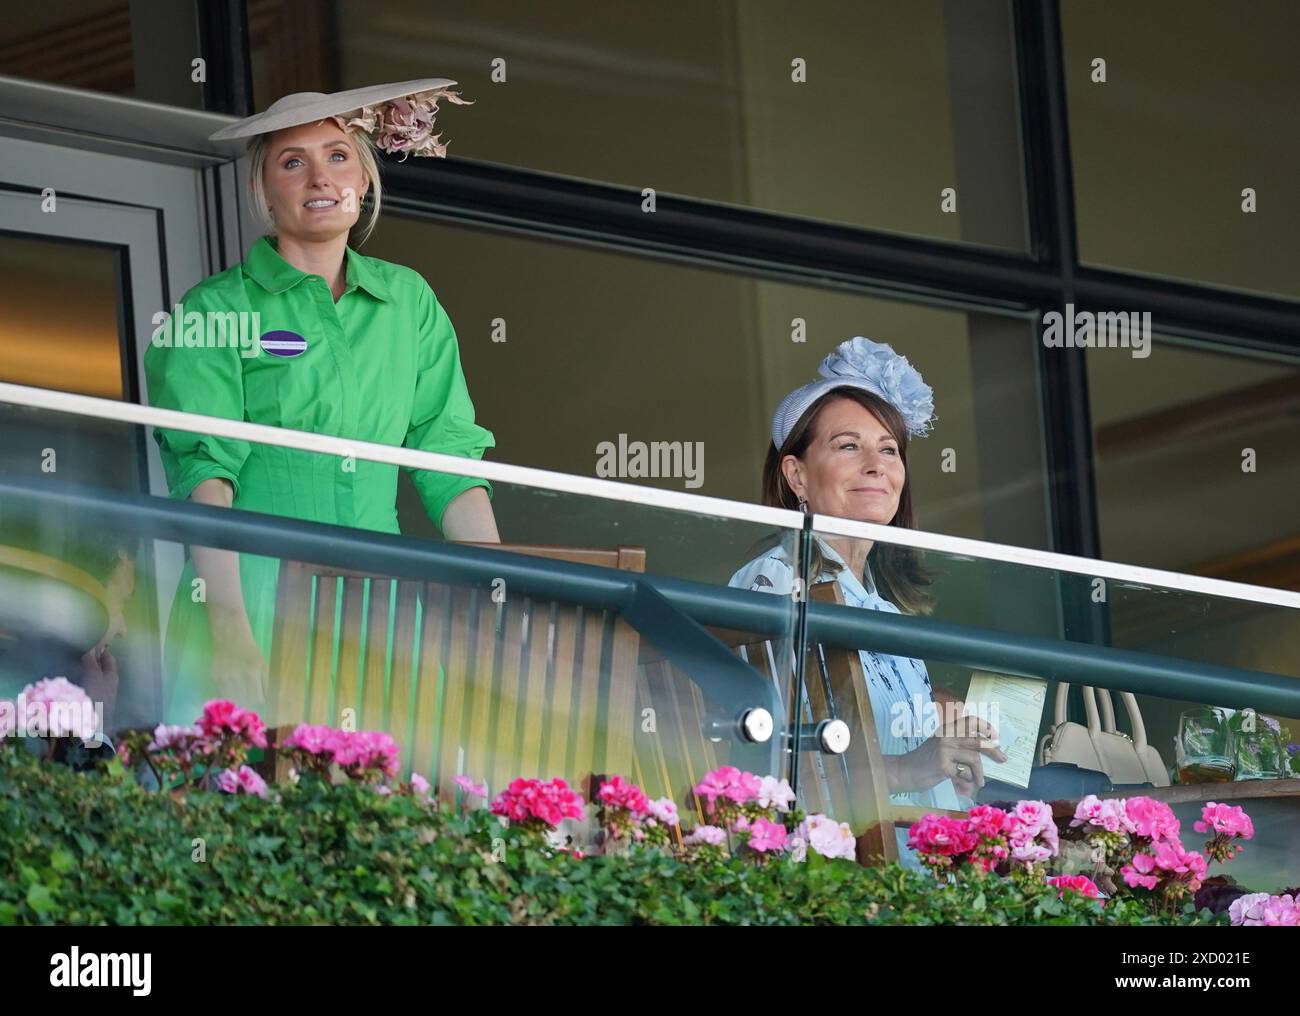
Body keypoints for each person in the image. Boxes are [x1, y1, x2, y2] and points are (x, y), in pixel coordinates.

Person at [145, 80, 498, 724]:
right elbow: (206, 475)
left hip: (383, 610)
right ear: (262, 192)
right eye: (292, 162)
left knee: (390, 807)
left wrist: (497, 605)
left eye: (338, 155)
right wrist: (229, 627)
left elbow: (449, 460)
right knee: (250, 801)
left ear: (363, 178)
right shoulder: (216, 309)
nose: (319, 177)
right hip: (251, 592)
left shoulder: (409, 301)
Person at [730, 336, 1007, 818]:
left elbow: (910, 762)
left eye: (889, 449)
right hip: (835, 872)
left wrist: (950, 771)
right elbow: (767, 763)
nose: (877, 465)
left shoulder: (883, 608)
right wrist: (906, 771)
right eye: (848, 446)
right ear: (796, 476)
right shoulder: (777, 582)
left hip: (911, 860)